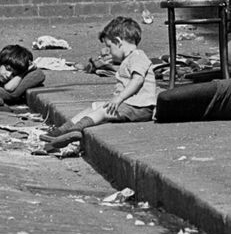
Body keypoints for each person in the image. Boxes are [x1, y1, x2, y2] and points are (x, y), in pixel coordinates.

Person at [42, 16, 157, 151]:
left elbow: (138, 80)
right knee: (95, 106)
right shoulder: (130, 59)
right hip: (131, 105)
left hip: (140, 107)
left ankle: (76, 129)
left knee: (103, 110)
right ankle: (63, 130)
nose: (109, 51)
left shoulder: (138, 56)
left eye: (109, 46)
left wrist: (119, 98)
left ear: (118, 42)